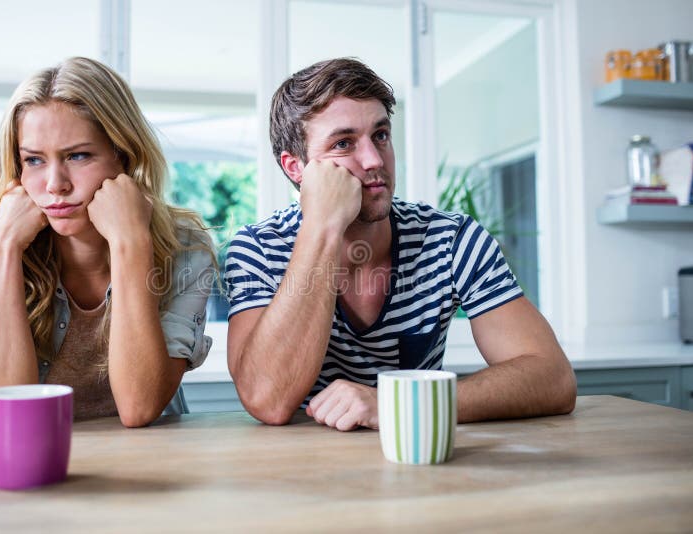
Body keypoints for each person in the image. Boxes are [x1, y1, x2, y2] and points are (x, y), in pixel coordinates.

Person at [224, 57, 576, 431]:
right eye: (343, 143)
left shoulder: (450, 239)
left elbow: (553, 378)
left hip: (418, 454)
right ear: (296, 167)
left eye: (380, 135)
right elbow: (268, 401)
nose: (374, 159)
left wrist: (399, 404)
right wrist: (323, 226)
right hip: (303, 462)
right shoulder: (258, 248)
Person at [0, 57, 216, 427]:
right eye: (34, 160)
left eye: (78, 155)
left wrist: (130, 243)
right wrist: (5, 249)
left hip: (138, 458)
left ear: (124, 155)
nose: (55, 184)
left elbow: (139, 407)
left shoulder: (185, 249)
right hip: (15, 452)